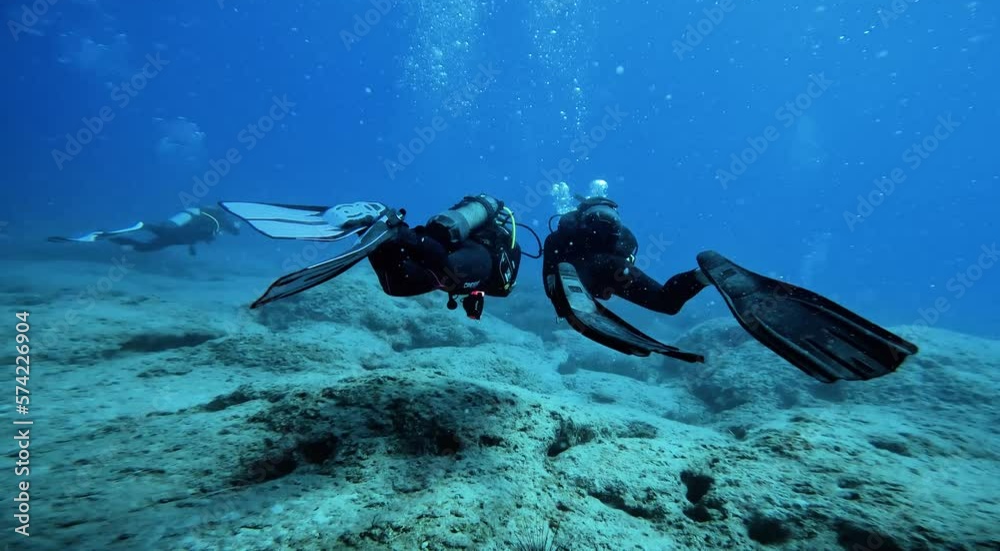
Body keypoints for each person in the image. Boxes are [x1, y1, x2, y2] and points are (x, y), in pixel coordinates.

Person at [541, 181, 919, 383]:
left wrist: (564, 301)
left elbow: (552, 272)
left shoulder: (563, 231)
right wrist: (617, 278)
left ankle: (580, 290)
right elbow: (626, 259)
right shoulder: (624, 234)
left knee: (570, 293)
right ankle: (703, 275)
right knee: (668, 303)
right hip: (613, 266)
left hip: (577, 271)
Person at [219, 194, 540, 319]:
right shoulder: (499, 265)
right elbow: (481, 279)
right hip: (472, 255)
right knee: (447, 273)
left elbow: (472, 288)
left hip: (449, 247)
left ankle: (382, 232)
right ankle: (398, 230)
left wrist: (472, 297)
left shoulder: (488, 266)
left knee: (396, 284)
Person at [48, 206, 241, 255]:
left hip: (171, 231)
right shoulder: (220, 221)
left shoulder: (205, 216)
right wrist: (236, 226)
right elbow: (235, 232)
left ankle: (109, 235)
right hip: (177, 237)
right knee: (145, 248)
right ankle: (113, 238)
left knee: (148, 240)